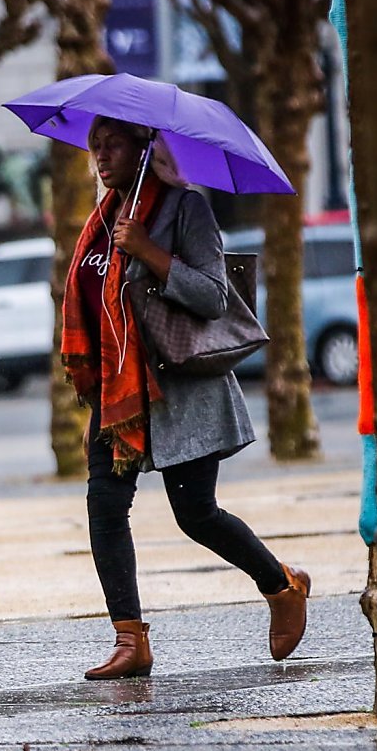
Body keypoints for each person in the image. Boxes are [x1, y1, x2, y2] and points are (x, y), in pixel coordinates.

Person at [63, 116, 309, 679]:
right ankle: (130, 640)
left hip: (180, 385)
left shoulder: (184, 208)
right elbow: (99, 314)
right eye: (95, 147)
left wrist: (149, 250)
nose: (101, 157)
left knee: (194, 513)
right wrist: (97, 398)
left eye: (113, 145)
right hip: (120, 389)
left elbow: (214, 296)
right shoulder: (101, 223)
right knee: (104, 504)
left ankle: (281, 584)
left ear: (143, 147)